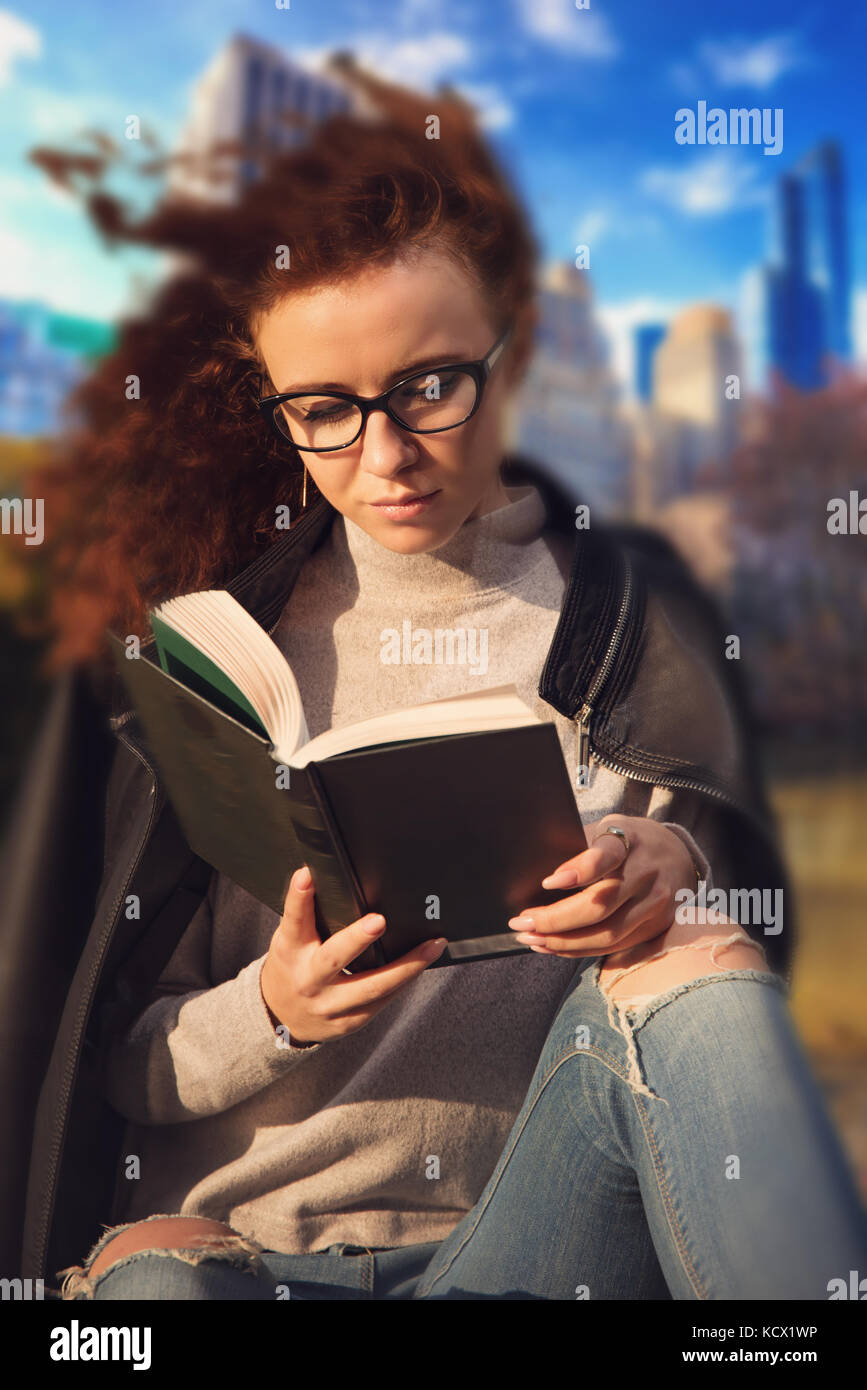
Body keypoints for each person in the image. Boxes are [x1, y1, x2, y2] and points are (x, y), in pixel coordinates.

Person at [6, 69, 865, 1301]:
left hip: (526, 1239)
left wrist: (676, 872)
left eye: (427, 388)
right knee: (152, 1302)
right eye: (325, 411)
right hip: (240, 1255)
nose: (385, 456)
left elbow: (711, 984)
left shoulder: (633, 620)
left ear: (504, 364)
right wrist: (279, 1008)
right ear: (279, 410)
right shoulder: (211, 656)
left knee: (708, 966)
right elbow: (118, 1061)